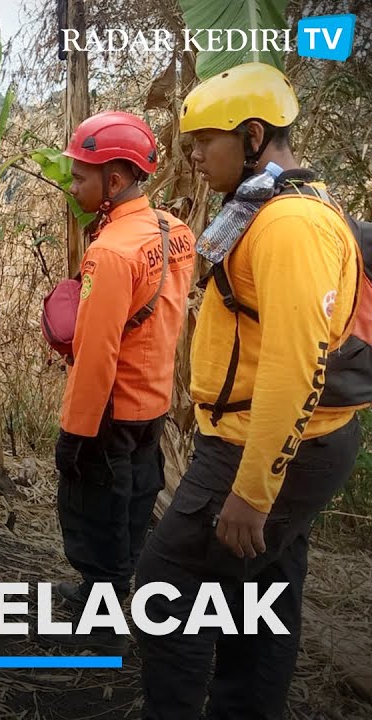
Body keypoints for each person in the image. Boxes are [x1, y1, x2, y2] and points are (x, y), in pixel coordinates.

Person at [134, 62, 367, 719]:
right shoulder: (266, 205)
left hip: (258, 447)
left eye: (206, 140)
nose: (196, 156)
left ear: (256, 135)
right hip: (284, 439)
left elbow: (297, 365)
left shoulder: (289, 225)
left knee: (167, 587)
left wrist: (253, 492)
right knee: (257, 596)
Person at [50, 111, 197, 633]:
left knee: (97, 510)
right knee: (133, 503)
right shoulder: (175, 231)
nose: (73, 184)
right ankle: (100, 595)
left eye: (81, 176)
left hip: (111, 408)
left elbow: (95, 353)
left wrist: (75, 432)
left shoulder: (110, 252)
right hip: (152, 402)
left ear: (114, 180)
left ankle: (102, 623)